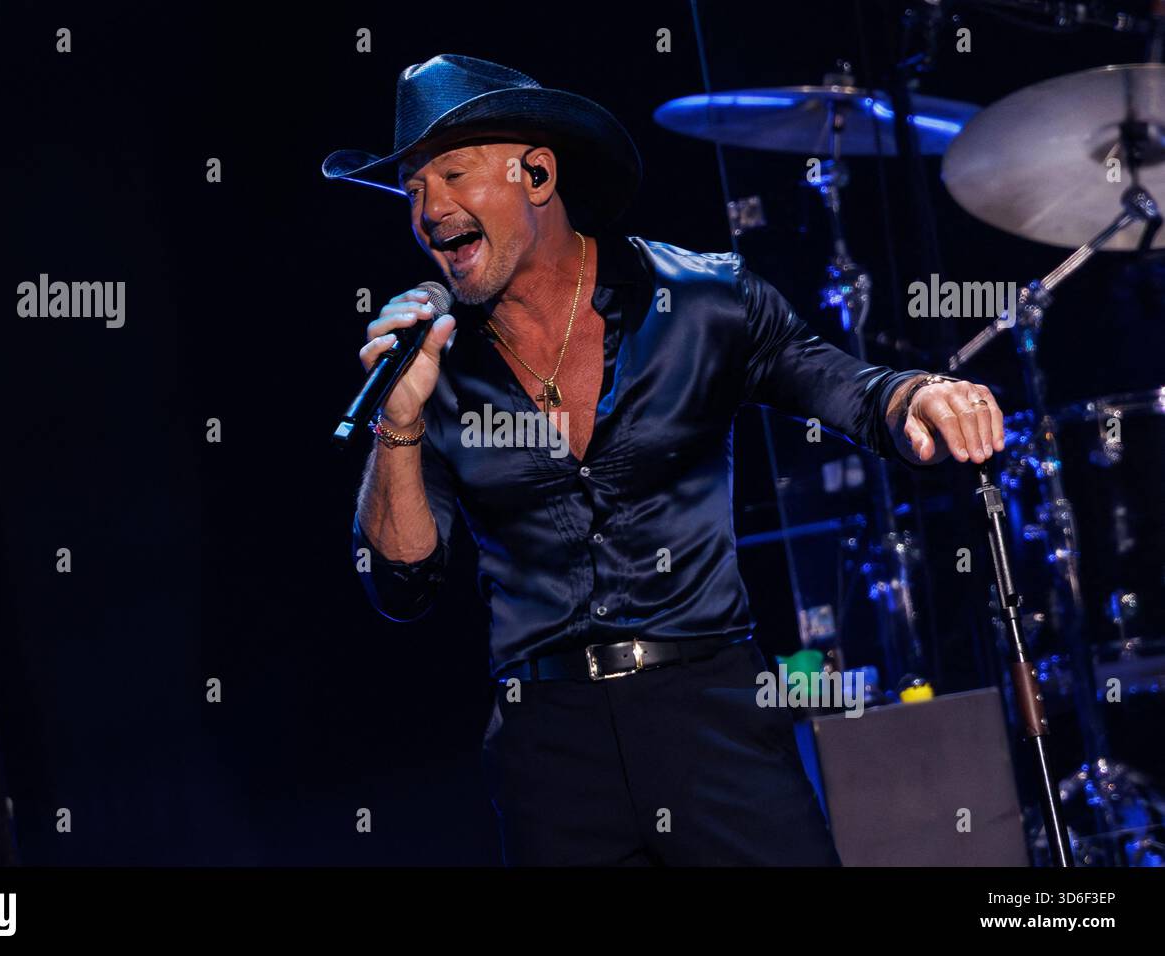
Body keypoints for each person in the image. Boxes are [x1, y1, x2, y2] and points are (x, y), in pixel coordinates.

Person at [324, 54, 1006, 865]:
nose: (431, 210)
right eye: (413, 190)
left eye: (454, 175)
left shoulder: (702, 300)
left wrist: (920, 395)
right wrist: (398, 422)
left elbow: (849, 390)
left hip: (710, 711)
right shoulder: (432, 366)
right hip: (550, 745)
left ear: (537, 174)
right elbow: (400, 584)